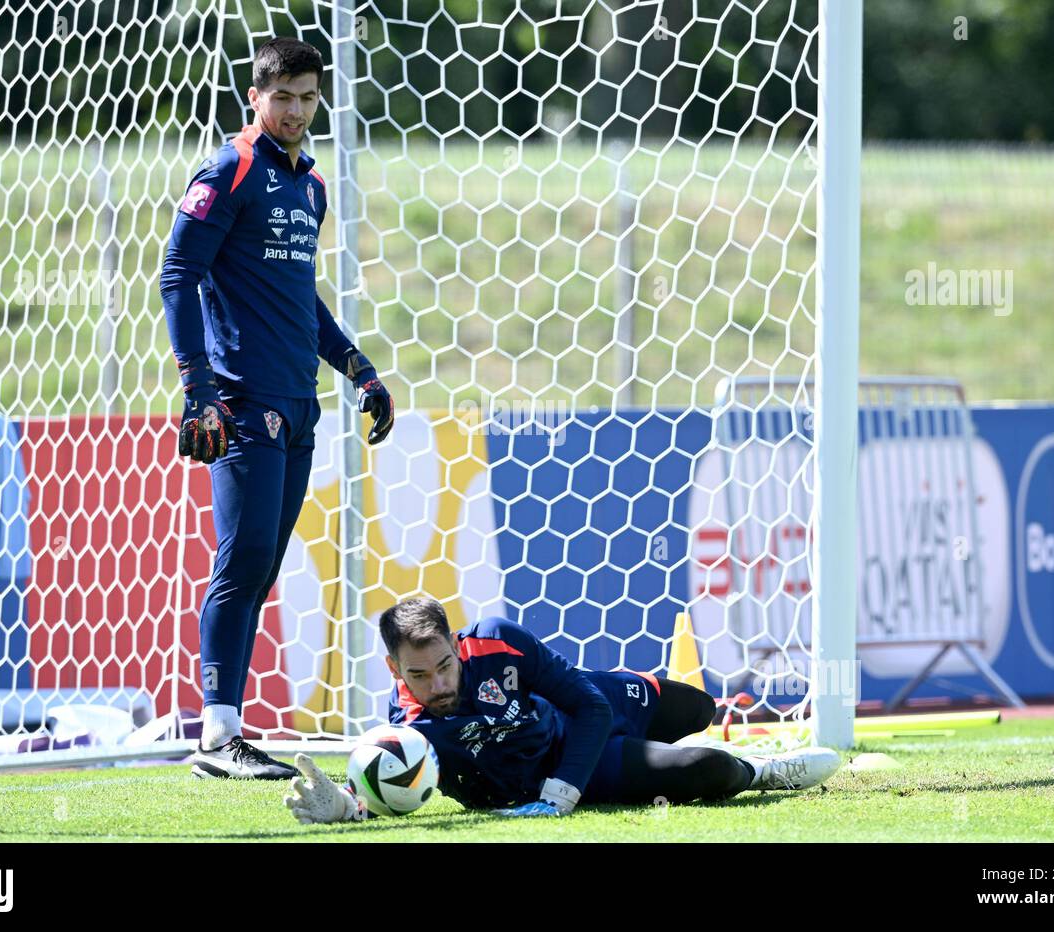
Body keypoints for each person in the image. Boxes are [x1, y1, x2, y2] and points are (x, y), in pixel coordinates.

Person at [160, 37, 394, 779]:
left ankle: (225, 732)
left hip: (300, 404)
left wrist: (360, 370)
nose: (295, 110)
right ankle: (216, 736)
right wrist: (197, 387)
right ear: (255, 98)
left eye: (307, 97)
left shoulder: (311, 186)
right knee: (244, 559)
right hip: (240, 400)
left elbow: (302, 300)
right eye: (282, 97)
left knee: (261, 568)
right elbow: (177, 274)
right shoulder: (229, 170)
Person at [284, 596, 840, 822]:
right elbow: (390, 776)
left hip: (585, 705)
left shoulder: (498, 639)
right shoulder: (413, 730)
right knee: (708, 769)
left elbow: (590, 705)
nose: (438, 685)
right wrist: (351, 807)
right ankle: (763, 769)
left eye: (445, 667)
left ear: (457, 645)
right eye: (418, 676)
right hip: (571, 764)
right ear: (393, 671)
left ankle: (707, 737)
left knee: (696, 706)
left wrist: (560, 795)